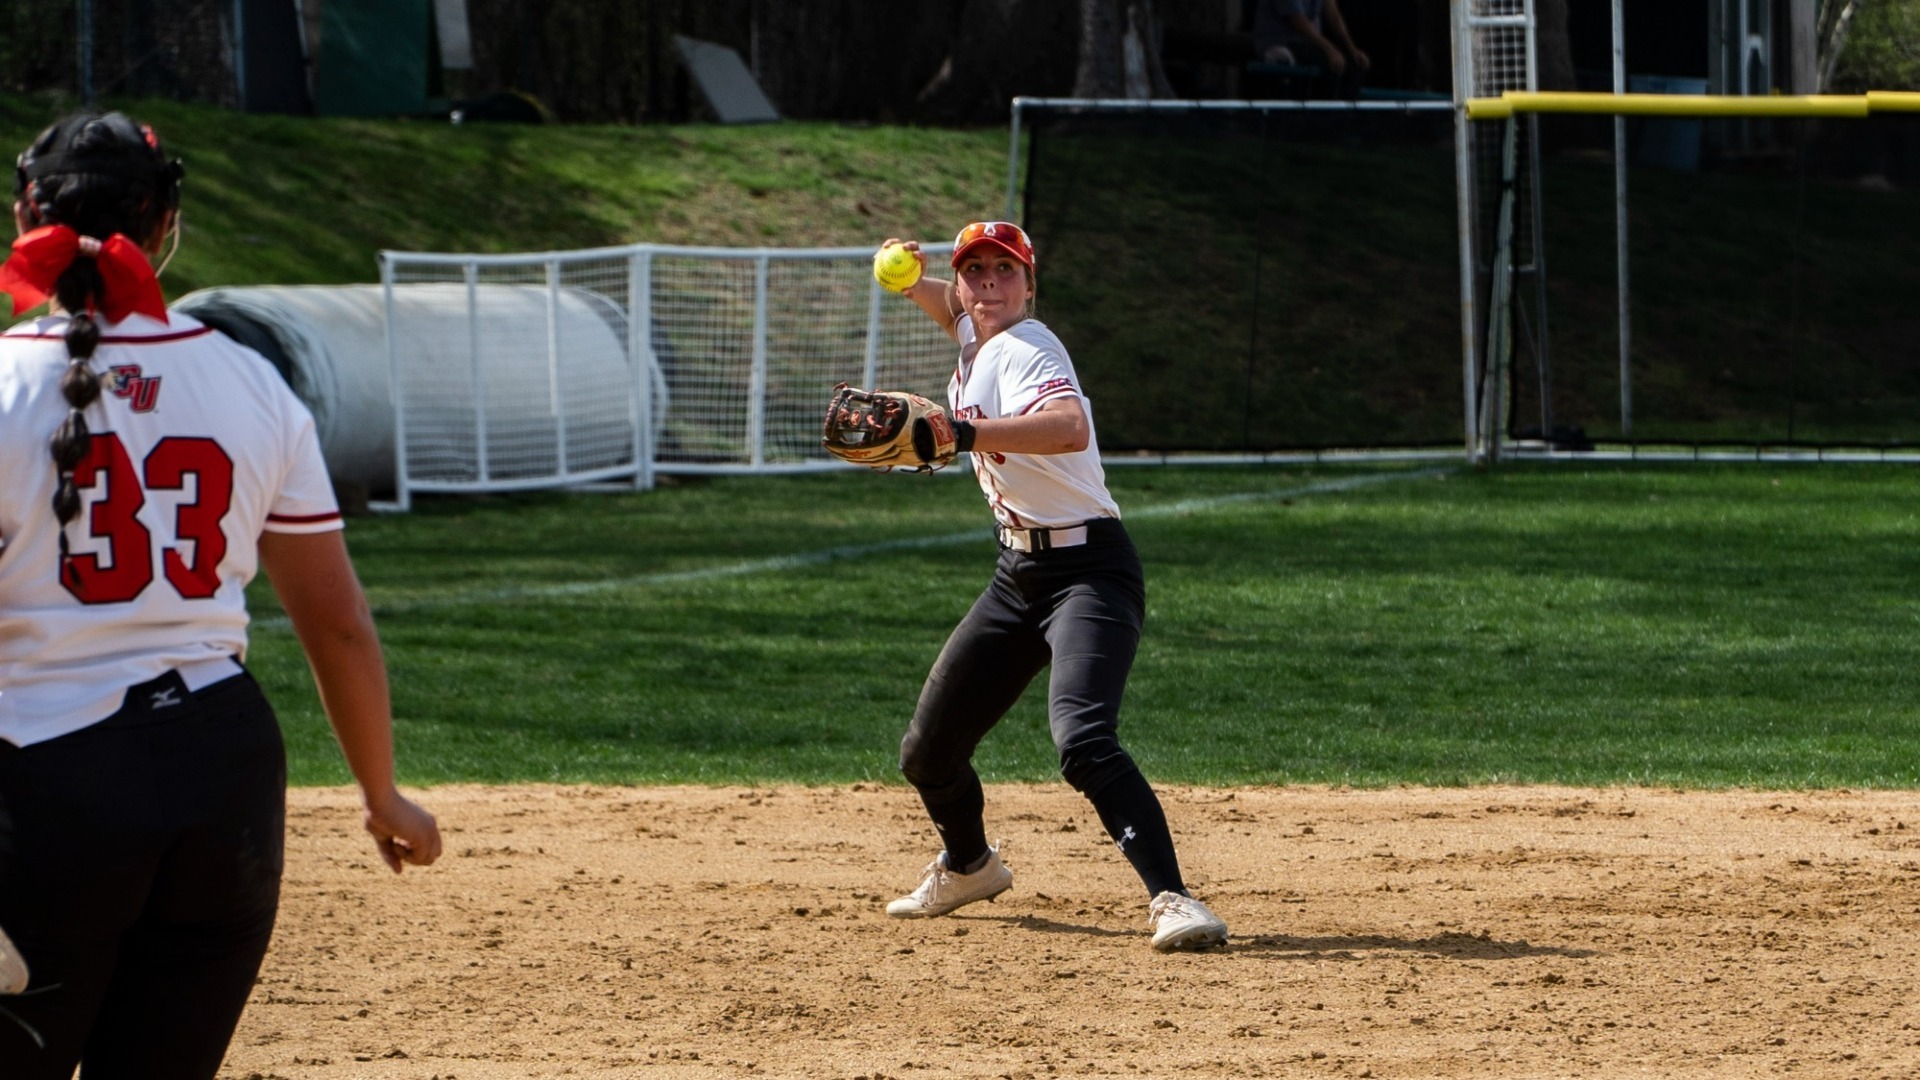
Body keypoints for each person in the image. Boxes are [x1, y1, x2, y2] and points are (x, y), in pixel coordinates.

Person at [0, 111, 442, 1076]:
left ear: (24, 213)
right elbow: (336, 622)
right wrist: (381, 794)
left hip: (43, 791)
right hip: (222, 780)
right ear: (163, 227)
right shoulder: (251, 382)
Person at [876, 222, 1228, 952]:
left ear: (1030, 286)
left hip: (1090, 573)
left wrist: (959, 434)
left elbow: (1066, 427)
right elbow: (955, 309)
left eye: (1004, 271)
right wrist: (915, 285)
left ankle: (1174, 899)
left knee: (1084, 739)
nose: (987, 285)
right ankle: (970, 864)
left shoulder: (1027, 345)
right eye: (975, 273)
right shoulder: (976, 333)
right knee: (927, 753)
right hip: (1019, 576)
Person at [1254, 0, 1371, 96]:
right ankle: (1321, 117)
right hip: (1282, 42)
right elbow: (1298, 20)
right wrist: (1329, 49)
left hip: (1309, 45)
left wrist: (1352, 48)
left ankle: (1345, 116)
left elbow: (1333, 14)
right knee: (1330, 65)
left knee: (1355, 65)